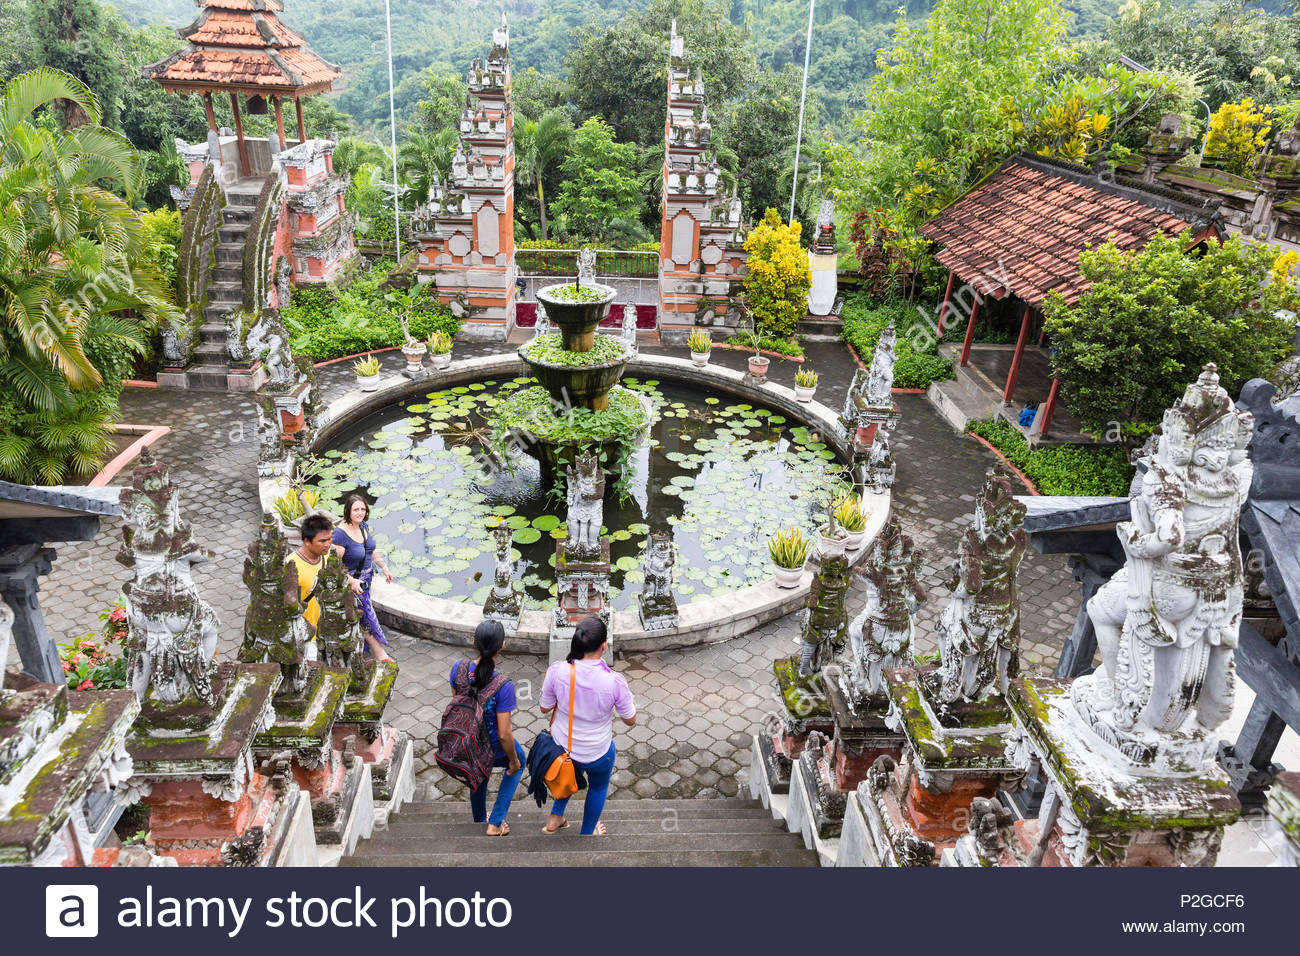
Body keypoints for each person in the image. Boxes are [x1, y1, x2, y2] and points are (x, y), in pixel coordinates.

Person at [540, 617, 636, 835]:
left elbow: (544, 708)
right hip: (598, 751)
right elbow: (630, 720)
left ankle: (555, 818)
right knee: (598, 788)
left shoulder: (557, 671)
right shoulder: (614, 681)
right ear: (604, 646)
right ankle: (587, 832)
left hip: (563, 747)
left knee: (568, 774)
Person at [452, 621, 525, 836]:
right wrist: (512, 760)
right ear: (502, 645)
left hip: (467, 742)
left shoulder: (458, 668)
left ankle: (478, 820)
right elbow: (504, 735)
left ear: (474, 642)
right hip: (493, 746)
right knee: (519, 761)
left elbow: (457, 705)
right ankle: (495, 822)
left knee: (478, 773)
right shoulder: (503, 685)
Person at [332, 494, 394, 662]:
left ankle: (360, 644)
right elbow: (334, 565)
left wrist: (384, 567)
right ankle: (381, 655)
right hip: (353, 584)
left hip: (366, 580)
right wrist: (351, 581)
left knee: (362, 614)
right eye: (356, 509)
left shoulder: (362, 526)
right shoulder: (340, 535)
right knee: (365, 616)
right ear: (347, 511)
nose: (360, 512)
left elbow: (371, 550)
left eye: (362, 509)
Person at [286, 513, 334, 661]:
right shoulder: (290, 566)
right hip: (305, 634)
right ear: (307, 541)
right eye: (322, 541)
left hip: (325, 627)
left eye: (330, 538)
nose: (328, 544)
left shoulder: (326, 555)